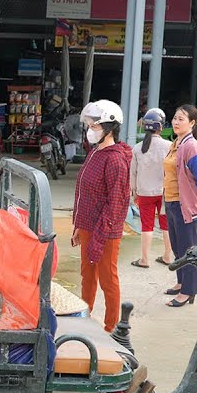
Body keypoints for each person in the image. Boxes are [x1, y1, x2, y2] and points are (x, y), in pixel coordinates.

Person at [71, 100, 131, 332]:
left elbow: (115, 203)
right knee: (87, 275)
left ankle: (112, 327)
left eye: (95, 126)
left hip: (106, 229)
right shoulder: (96, 152)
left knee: (107, 279)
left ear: (109, 128)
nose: (90, 130)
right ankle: (84, 316)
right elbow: (84, 192)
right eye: (90, 125)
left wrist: (100, 234)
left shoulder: (115, 160)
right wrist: (79, 225)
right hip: (88, 225)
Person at [163, 105, 197, 306]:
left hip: (185, 205)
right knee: (177, 246)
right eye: (175, 118)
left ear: (192, 124)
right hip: (172, 201)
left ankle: (188, 292)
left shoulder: (191, 147)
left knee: (189, 250)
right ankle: (180, 282)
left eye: (181, 119)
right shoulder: (176, 143)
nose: (176, 122)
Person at [128, 108, 174, 270]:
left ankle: (144, 259)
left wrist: (133, 192)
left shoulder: (137, 148)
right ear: (160, 127)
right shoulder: (169, 146)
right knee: (166, 225)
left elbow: (132, 173)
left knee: (146, 226)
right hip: (164, 192)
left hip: (144, 192)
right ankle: (168, 256)